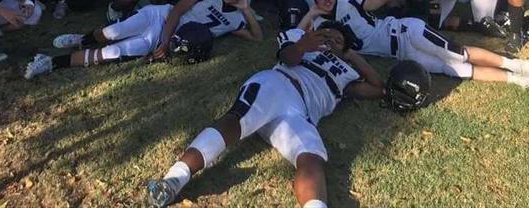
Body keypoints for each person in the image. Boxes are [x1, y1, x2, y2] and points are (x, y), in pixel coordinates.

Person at [145, 23, 389, 208]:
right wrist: (304, 45)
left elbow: (378, 89)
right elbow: (287, 57)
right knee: (236, 120)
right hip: (277, 85)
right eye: (326, 35)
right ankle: (174, 179)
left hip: (299, 113)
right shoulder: (299, 40)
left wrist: (351, 55)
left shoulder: (346, 73)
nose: (331, 41)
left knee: (312, 157)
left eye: (338, 41)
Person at [303, 0, 529, 91]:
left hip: (405, 32)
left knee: (458, 54)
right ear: (315, 2)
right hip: (402, 53)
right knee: (457, 70)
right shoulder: (321, 24)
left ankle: (519, 66)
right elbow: (298, 36)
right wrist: (311, 13)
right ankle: (520, 80)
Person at [24, 0, 262, 77]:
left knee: (112, 53)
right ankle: (82, 39)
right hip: (161, 17)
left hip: (162, 39)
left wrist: (245, 9)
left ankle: (51, 63)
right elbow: (177, 10)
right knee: (114, 31)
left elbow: (257, 38)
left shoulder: (236, 18)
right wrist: (166, 43)